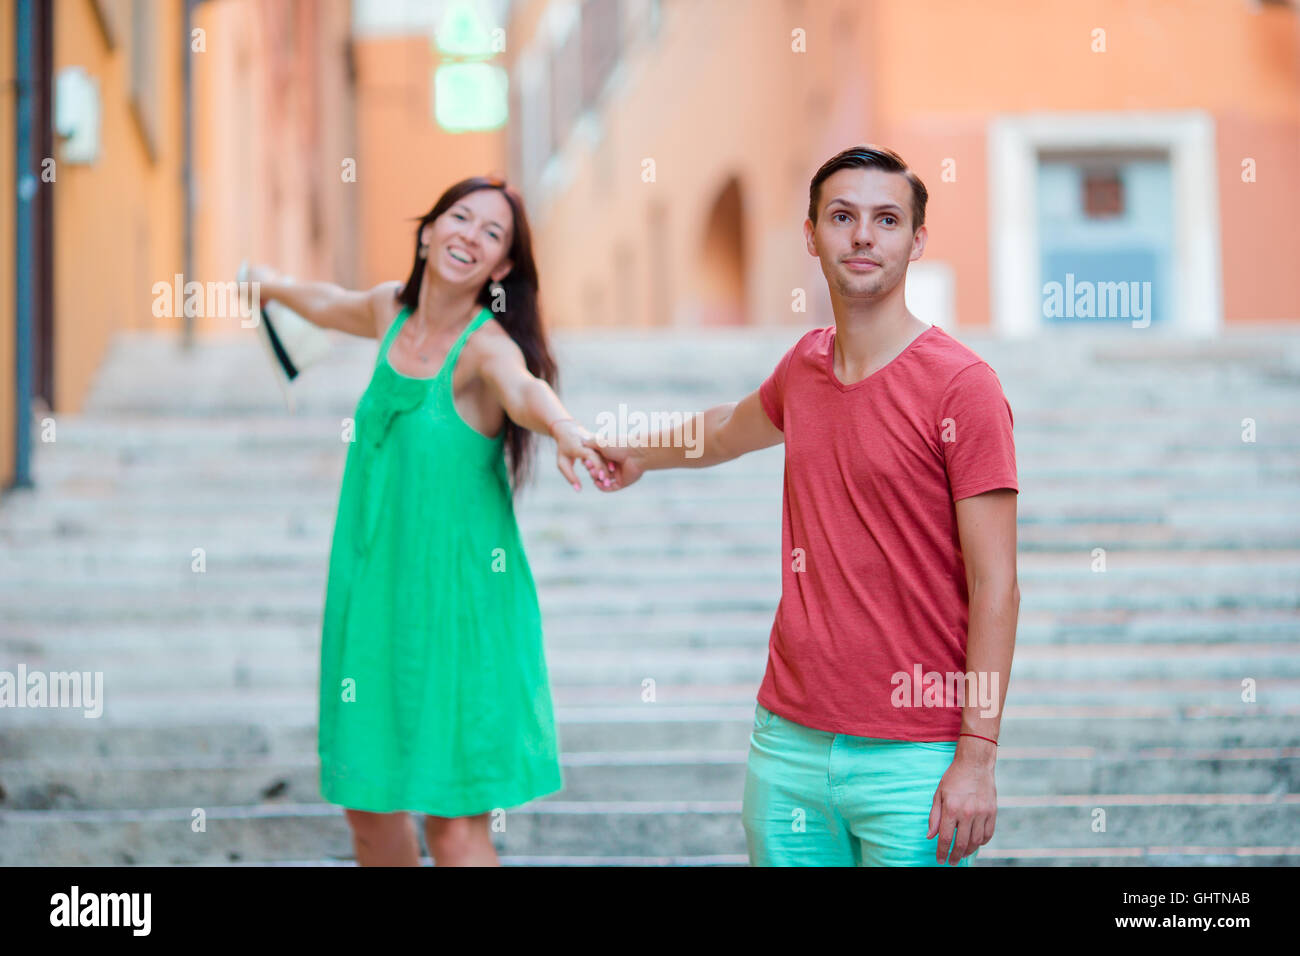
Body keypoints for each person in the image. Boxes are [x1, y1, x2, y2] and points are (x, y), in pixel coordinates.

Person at [585, 146, 1019, 866]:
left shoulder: (962, 387)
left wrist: (977, 754)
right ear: (811, 234)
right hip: (786, 742)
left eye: (886, 219)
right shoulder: (805, 366)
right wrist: (638, 454)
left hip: (914, 759)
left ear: (916, 241)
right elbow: (727, 429)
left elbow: (996, 583)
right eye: (842, 216)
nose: (862, 236)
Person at [246, 176, 614, 866]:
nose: (469, 236)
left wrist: (563, 427)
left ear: (502, 267)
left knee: (454, 826)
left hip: (460, 610)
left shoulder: (484, 348)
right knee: (368, 805)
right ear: (428, 231)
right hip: (374, 600)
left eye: (492, 233)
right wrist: (268, 284)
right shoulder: (390, 310)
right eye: (460, 217)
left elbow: (523, 388)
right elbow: (328, 304)